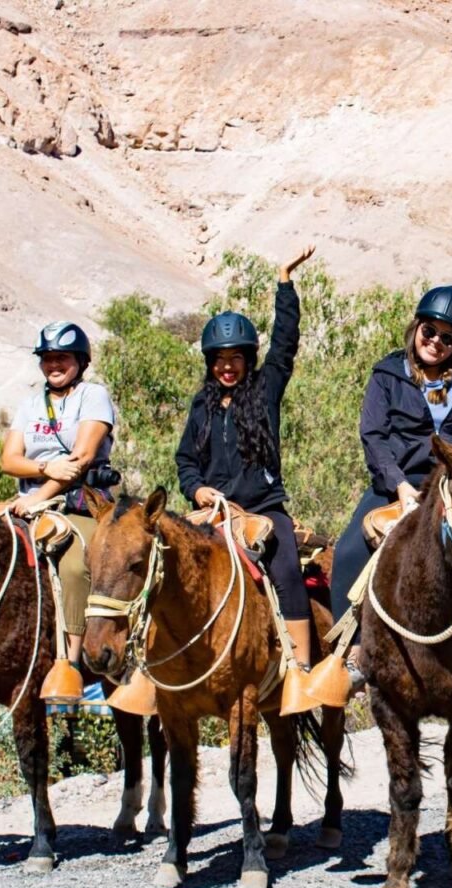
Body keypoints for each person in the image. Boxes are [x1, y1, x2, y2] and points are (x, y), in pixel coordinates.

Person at [288, 285, 452, 712]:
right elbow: (374, 436)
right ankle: (352, 652)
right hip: (399, 482)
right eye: (429, 331)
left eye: (448, 338)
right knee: (349, 550)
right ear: (415, 327)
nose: (436, 342)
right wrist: (400, 485)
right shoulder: (387, 375)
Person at [175, 245, 316, 680]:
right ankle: (163, 671)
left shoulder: (265, 389)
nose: (227, 366)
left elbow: (285, 344)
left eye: (235, 357)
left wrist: (285, 281)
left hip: (263, 510)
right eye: (219, 359)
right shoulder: (202, 406)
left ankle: (302, 670)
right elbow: (185, 462)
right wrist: (197, 489)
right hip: (210, 513)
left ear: (248, 358)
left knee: (288, 570)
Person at [0, 320, 118, 677]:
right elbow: (9, 460)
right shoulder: (29, 404)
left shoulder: (92, 396)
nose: (54, 365)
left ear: (80, 361)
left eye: (62, 358)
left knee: (74, 564)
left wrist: (40, 496)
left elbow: (80, 461)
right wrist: (46, 469)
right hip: (30, 499)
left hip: (79, 502)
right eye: (47, 358)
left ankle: (71, 660)